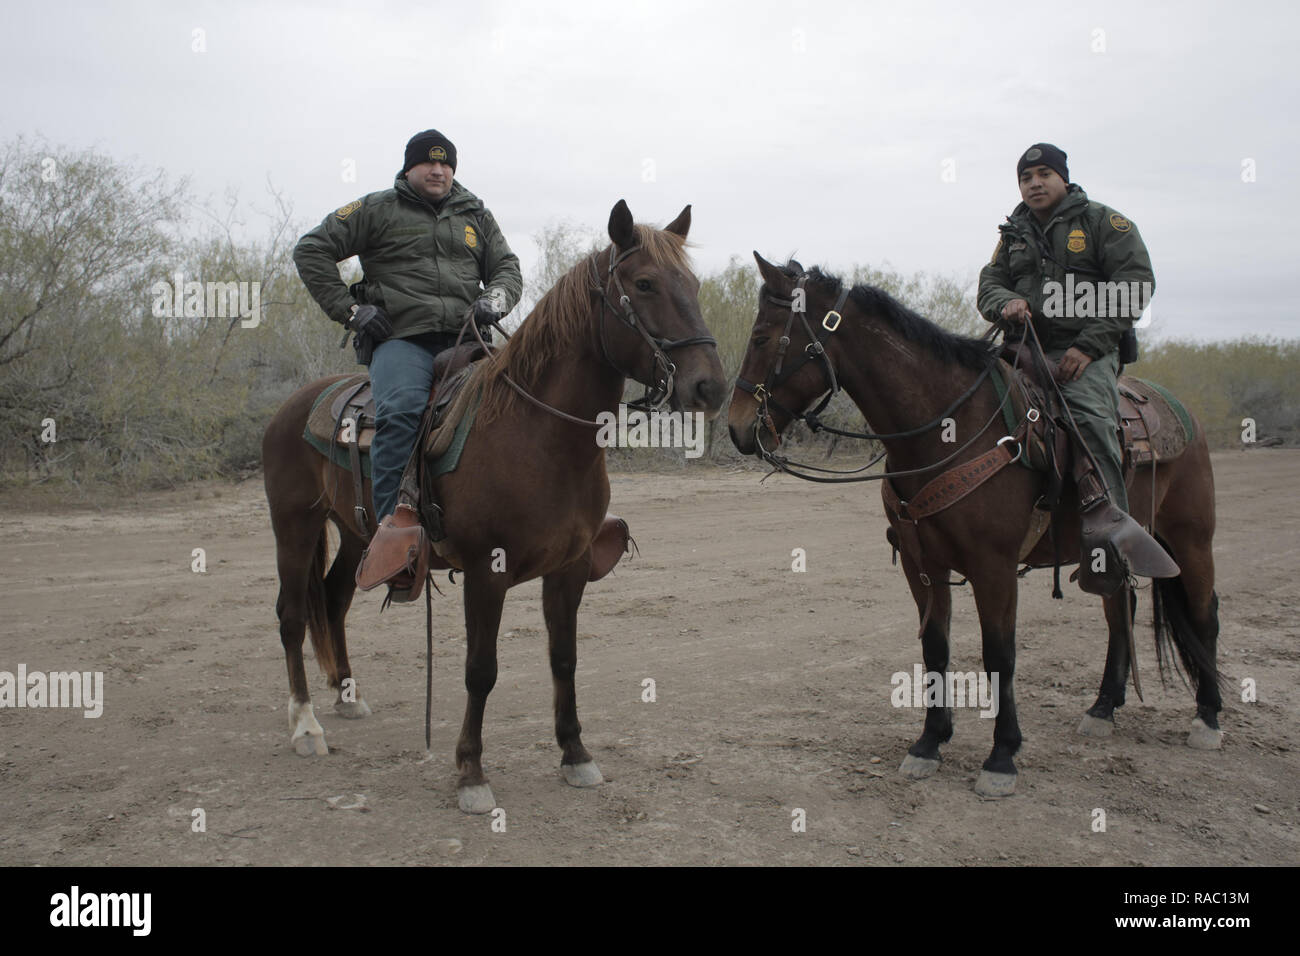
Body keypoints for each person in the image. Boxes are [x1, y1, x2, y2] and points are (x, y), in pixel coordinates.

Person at [294, 129, 522, 595]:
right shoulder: (376, 209)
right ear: (409, 167)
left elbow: (507, 268)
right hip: (403, 340)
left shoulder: (475, 213)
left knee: (525, 400)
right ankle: (392, 538)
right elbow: (311, 250)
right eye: (428, 164)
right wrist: (353, 311)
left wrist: (494, 300)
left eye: (446, 165)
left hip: (467, 337)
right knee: (400, 412)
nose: (438, 171)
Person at [977, 143, 1176, 594]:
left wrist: (1088, 346)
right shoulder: (1013, 234)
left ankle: (1111, 546)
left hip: (1087, 351)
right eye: (1026, 178)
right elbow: (990, 281)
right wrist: (1004, 302)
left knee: (1089, 422)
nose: (1034, 184)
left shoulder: (1105, 223)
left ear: (1063, 178)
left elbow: (1136, 284)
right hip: (1023, 347)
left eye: (1044, 174)